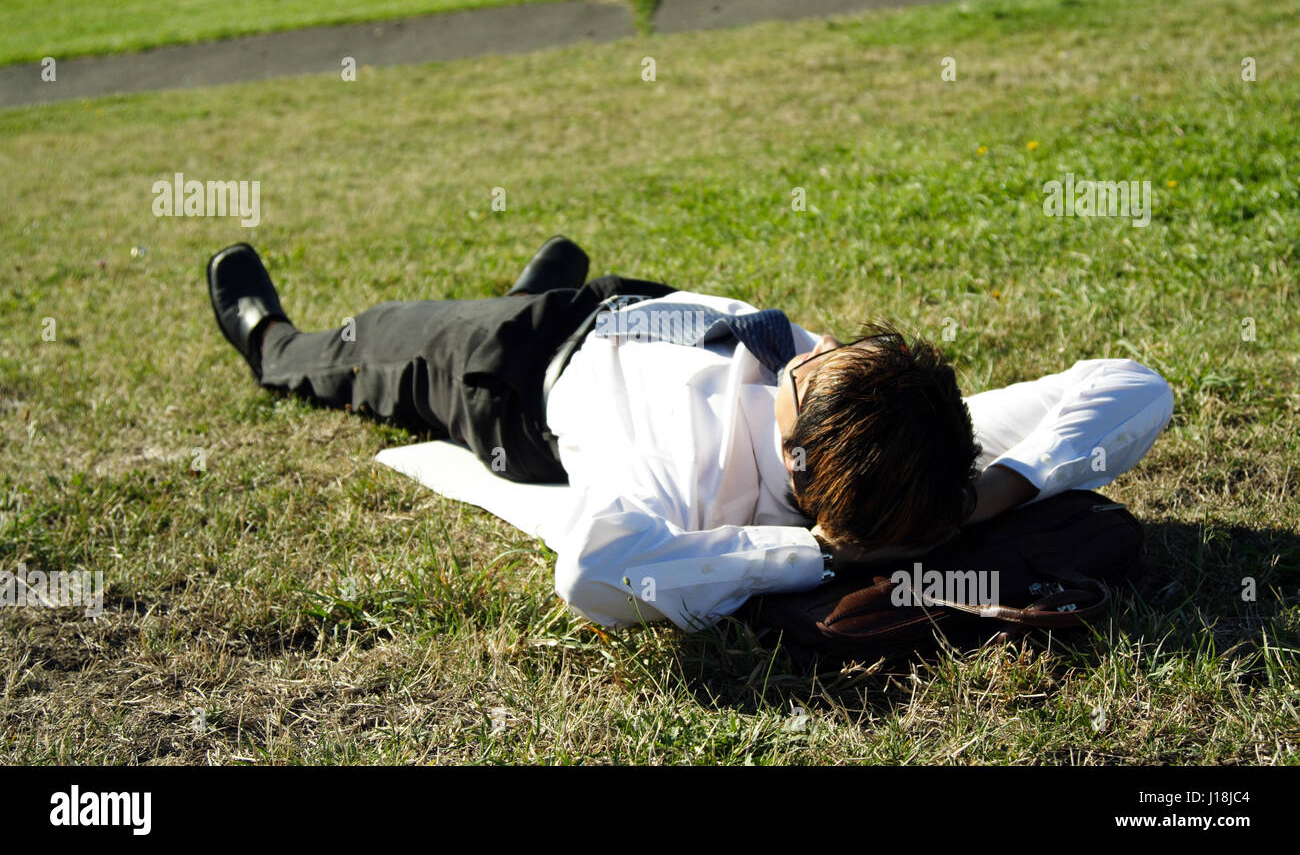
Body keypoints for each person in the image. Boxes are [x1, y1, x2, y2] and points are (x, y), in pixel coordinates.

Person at [207, 237, 1174, 631]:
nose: (820, 348)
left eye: (814, 373)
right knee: (570, 276)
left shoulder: (692, 478)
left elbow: (591, 570)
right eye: (838, 354)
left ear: (801, 459)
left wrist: (804, 553)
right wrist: (998, 489)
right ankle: (543, 281)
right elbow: (1131, 387)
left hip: (517, 370)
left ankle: (270, 342)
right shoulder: (909, 443)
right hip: (648, 305)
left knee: (366, 347)